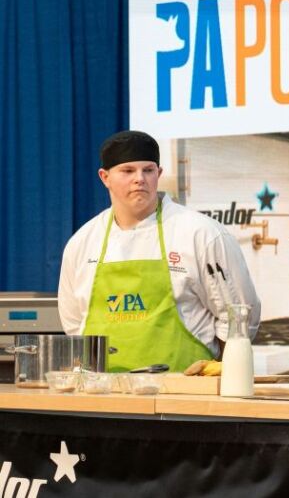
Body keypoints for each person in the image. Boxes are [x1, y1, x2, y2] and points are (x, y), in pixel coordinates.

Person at [58, 130, 261, 372]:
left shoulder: (202, 234)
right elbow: (74, 324)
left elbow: (240, 316)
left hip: (183, 389)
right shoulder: (82, 243)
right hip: (102, 389)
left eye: (148, 170)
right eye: (127, 171)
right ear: (105, 177)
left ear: (159, 173)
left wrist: (219, 372)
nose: (139, 179)